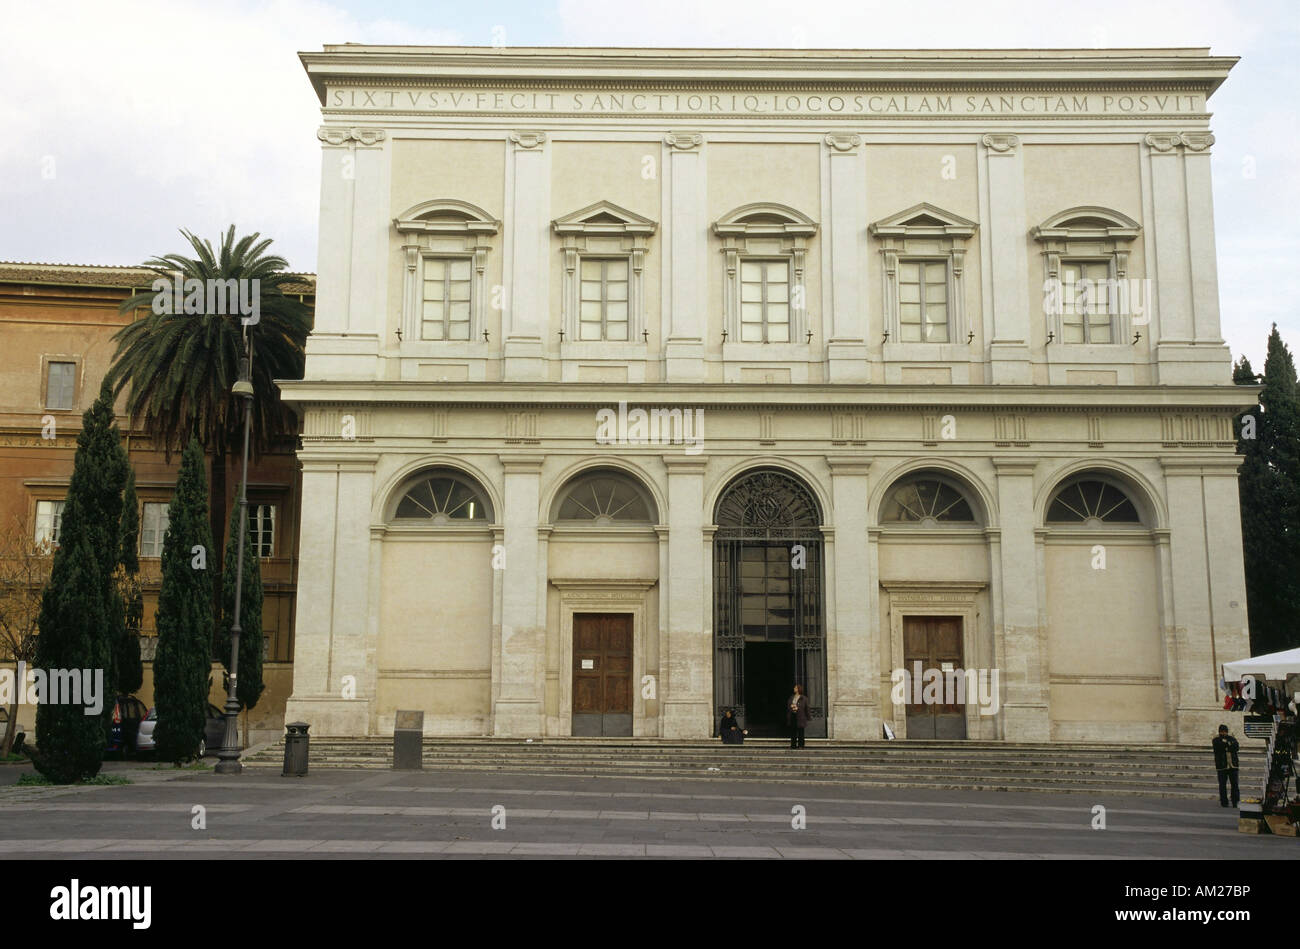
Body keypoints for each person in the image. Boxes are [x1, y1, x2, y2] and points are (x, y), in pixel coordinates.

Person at [1212, 724, 1240, 808]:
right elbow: (1219, 747)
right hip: (1222, 766)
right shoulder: (1216, 740)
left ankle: (1235, 801)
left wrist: (1227, 745)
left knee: (1235, 784)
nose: (1224, 733)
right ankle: (1224, 802)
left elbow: (1236, 747)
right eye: (1222, 731)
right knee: (1222, 785)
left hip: (1233, 765)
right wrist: (1228, 745)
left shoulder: (1232, 738)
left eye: (1225, 731)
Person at [787, 684, 808, 749]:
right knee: (793, 731)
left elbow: (806, 707)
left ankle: (801, 745)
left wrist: (798, 708)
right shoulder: (792, 697)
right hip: (793, 715)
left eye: (795, 688)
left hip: (800, 716)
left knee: (800, 732)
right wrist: (791, 707)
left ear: (798, 689)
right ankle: (793, 745)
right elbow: (788, 705)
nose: (794, 688)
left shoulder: (804, 698)